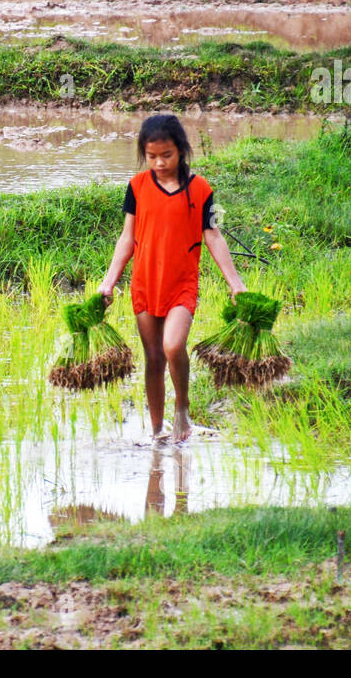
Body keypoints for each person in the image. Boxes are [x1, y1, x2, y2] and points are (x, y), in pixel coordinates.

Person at [97, 115, 247, 442]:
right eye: (151, 156)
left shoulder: (200, 188)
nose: (159, 162)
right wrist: (109, 281)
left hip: (181, 283)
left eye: (166, 155)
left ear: (181, 150)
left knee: (172, 344)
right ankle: (156, 432)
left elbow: (214, 236)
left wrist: (236, 283)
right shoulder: (137, 186)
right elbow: (127, 237)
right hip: (145, 283)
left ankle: (182, 409)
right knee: (152, 358)